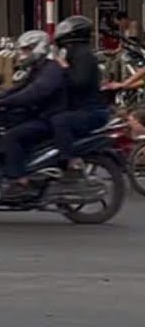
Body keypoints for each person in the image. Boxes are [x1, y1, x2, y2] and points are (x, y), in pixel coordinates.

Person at [0, 30, 66, 201]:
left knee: (11, 137)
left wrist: (5, 102)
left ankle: (20, 181)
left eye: (26, 50)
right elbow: (20, 87)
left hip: (49, 118)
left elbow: (34, 92)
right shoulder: (37, 69)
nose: (23, 54)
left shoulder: (51, 69)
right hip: (38, 115)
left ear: (38, 48)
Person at [50, 16, 109, 195]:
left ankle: (71, 165)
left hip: (91, 112)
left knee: (60, 121)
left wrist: (64, 67)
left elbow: (79, 82)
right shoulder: (75, 52)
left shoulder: (81, 54)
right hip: (85, 108)